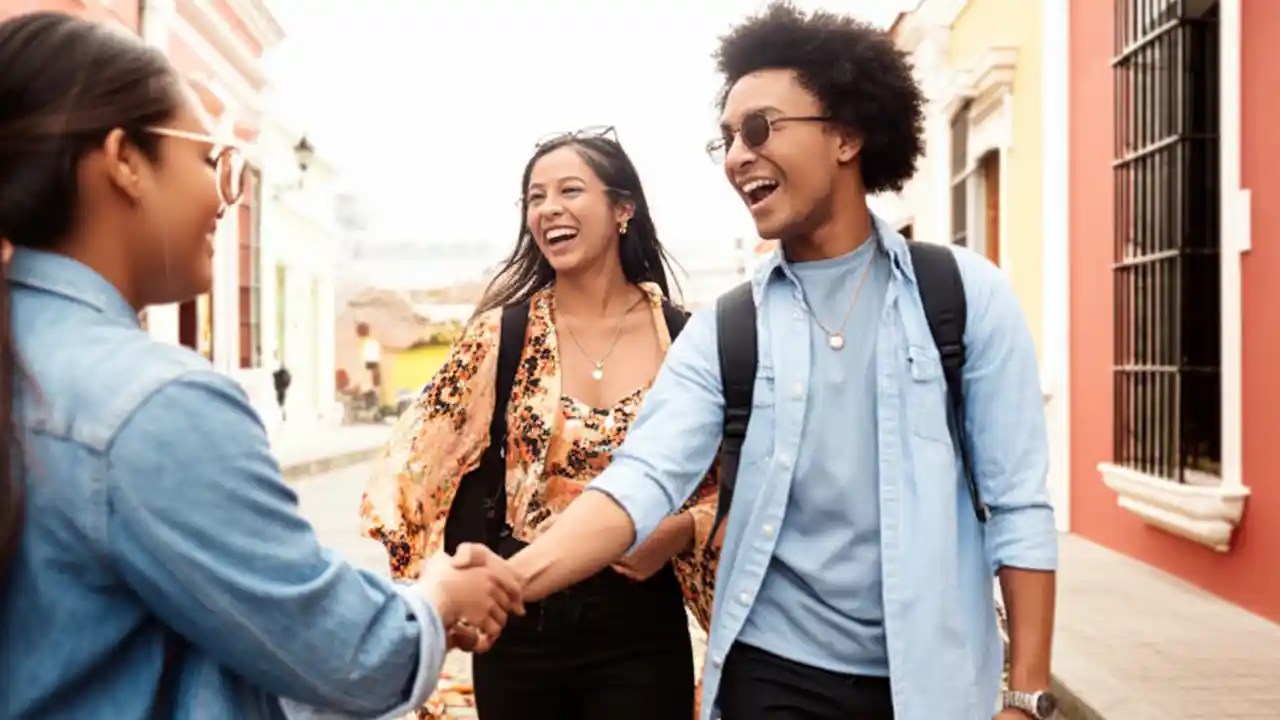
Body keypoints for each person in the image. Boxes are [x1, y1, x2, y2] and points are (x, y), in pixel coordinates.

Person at [505, 4, 1060, 720]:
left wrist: (1026, 696)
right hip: (774, 675)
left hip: (933, 676)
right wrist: (506, 581)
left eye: (761, 128)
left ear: (847, 135)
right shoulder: (729, 329)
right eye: (728, 137)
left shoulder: (960, 298)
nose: (738, 155)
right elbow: (639, 481)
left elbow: (1017, 504)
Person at [0, 12, 522, 719]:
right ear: (123, 160)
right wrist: (438, 596)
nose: (224, 197)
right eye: (212, 160)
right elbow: (352, 655)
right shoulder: (156, 404)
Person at [360, 126, 720, 720]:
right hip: (520, 616)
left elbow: (734, 479)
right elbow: (416, 468)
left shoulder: (687, 340)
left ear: (622, 208)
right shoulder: (500, 336)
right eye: (535, 197)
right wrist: (446, 586)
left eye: (570, 190)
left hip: (640, 622)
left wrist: (680, 529)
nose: (548, 208)